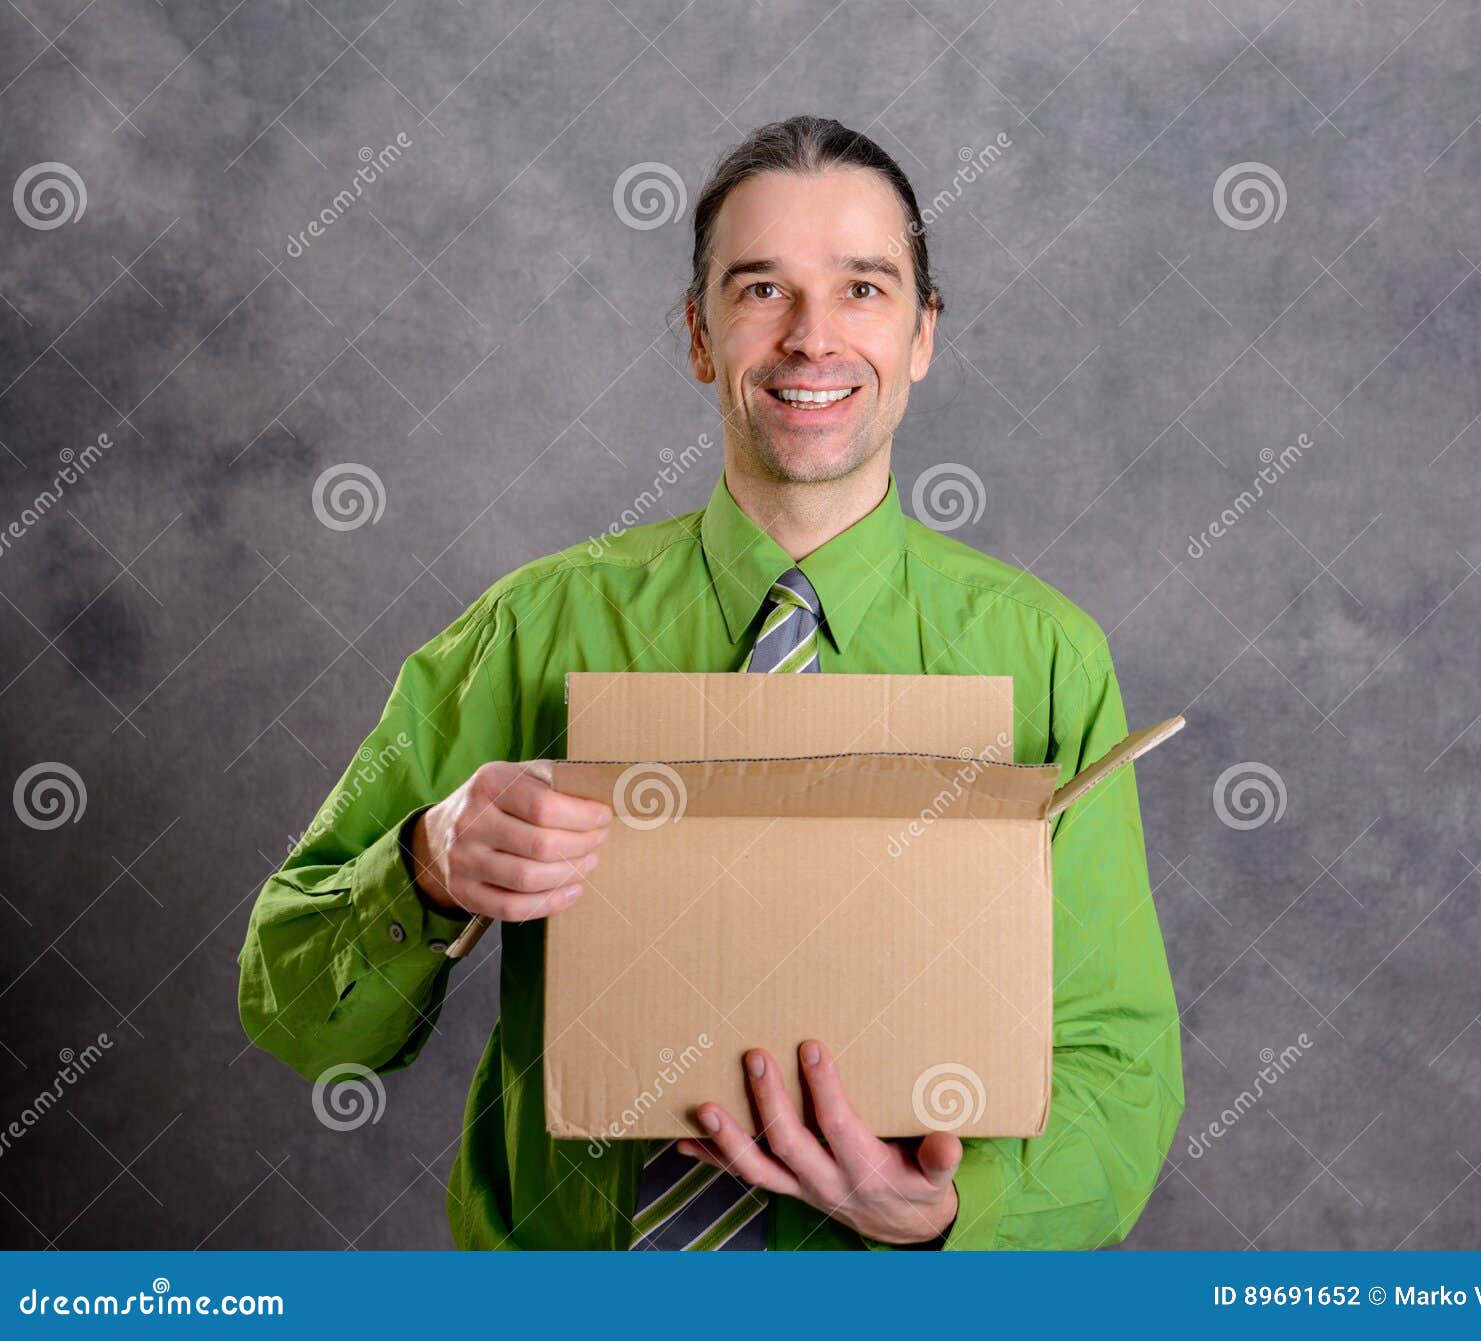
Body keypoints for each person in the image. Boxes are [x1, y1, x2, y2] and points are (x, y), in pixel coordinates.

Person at [236, 114, 1184, 1251]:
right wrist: (424, 867)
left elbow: (1121, 1072)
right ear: (698, 335)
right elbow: (299, 1019)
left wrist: (950, 1211)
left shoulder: (1046, 661)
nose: (812, 339)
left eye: (863, 290)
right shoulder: (535, 630)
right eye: (762, 290)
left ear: (924, 334)